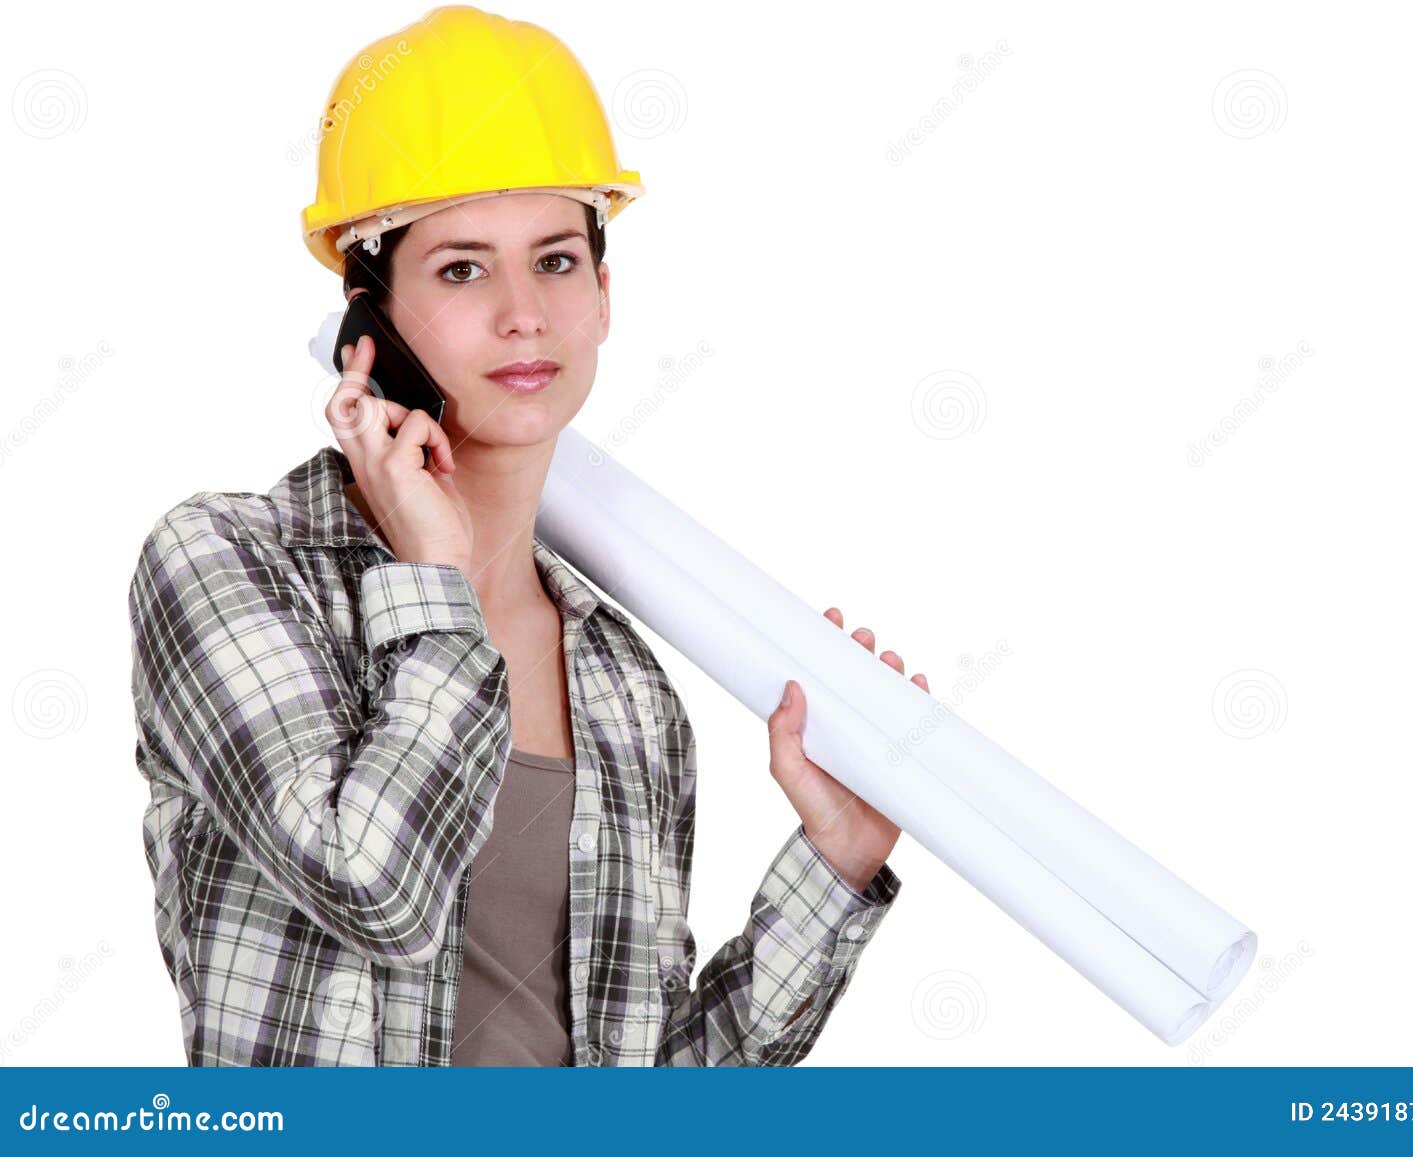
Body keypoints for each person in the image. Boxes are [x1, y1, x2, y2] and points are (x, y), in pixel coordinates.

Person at [127, 4, 925, 1067]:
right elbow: (374, 888)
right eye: (462, 268)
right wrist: (441, 589)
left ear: (603, 296)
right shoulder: (229, 566)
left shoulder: (625, 683)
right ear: (371, 321)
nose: (522, 313)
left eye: (555, 261)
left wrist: (834, 863)